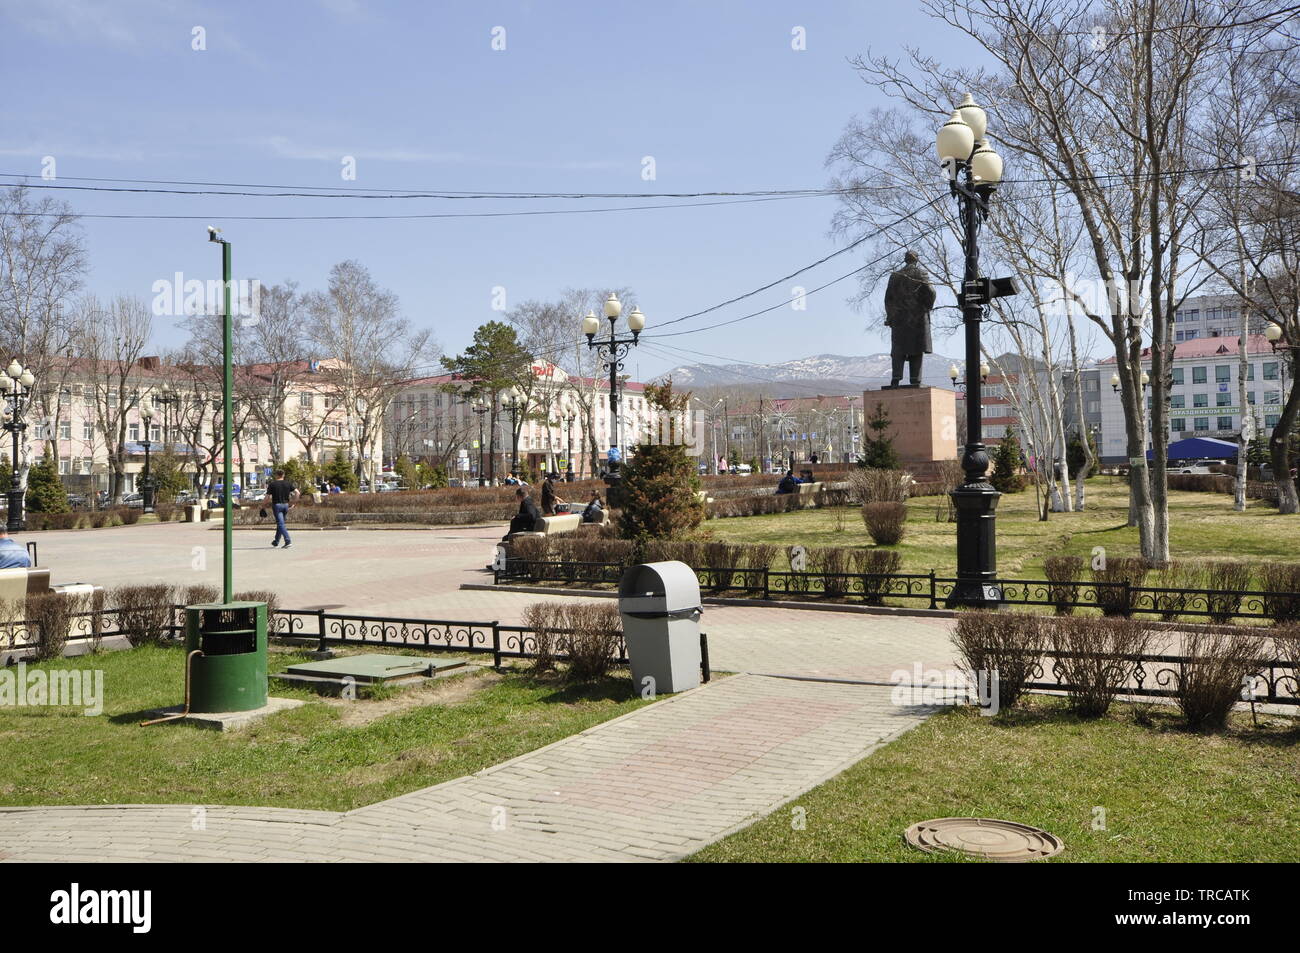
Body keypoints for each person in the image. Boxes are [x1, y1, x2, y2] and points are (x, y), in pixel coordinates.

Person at [265, 469, 299, 549]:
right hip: (285, 505)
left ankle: (288, 541)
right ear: (283, 475)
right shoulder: (288, 483)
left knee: (280, 524)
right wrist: (294, 503)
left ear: (276, 475)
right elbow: (298, 492)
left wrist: (263, 505)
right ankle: (276, 541)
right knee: (281, 523)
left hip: (277, 505)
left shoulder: (272, 484)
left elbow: (267, 497)